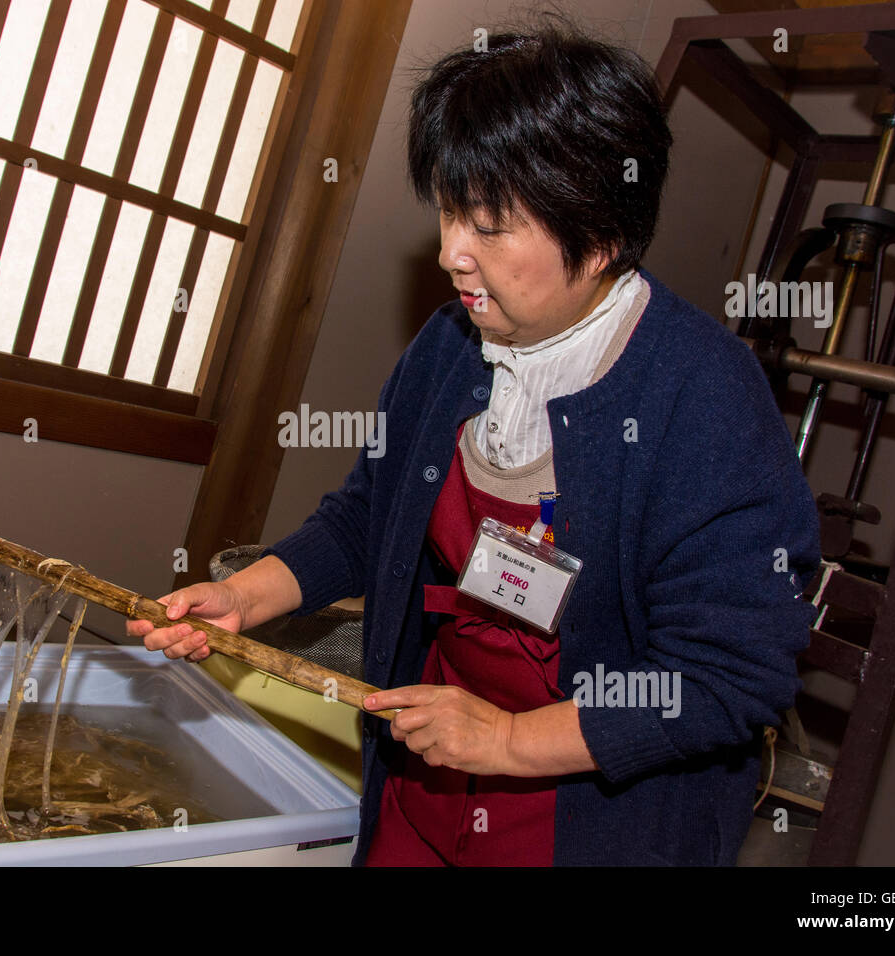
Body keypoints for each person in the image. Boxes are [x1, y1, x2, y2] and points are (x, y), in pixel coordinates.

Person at [130, 22, 820, 866]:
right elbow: (369, 517)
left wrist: (507, 743)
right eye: (453, 209)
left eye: (490, 226)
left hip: (593, 816)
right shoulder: (452, 344)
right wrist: (250, 596)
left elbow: (726, 682)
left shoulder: (703, 398)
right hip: (430, 773)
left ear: (600, 237)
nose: (454, 251)